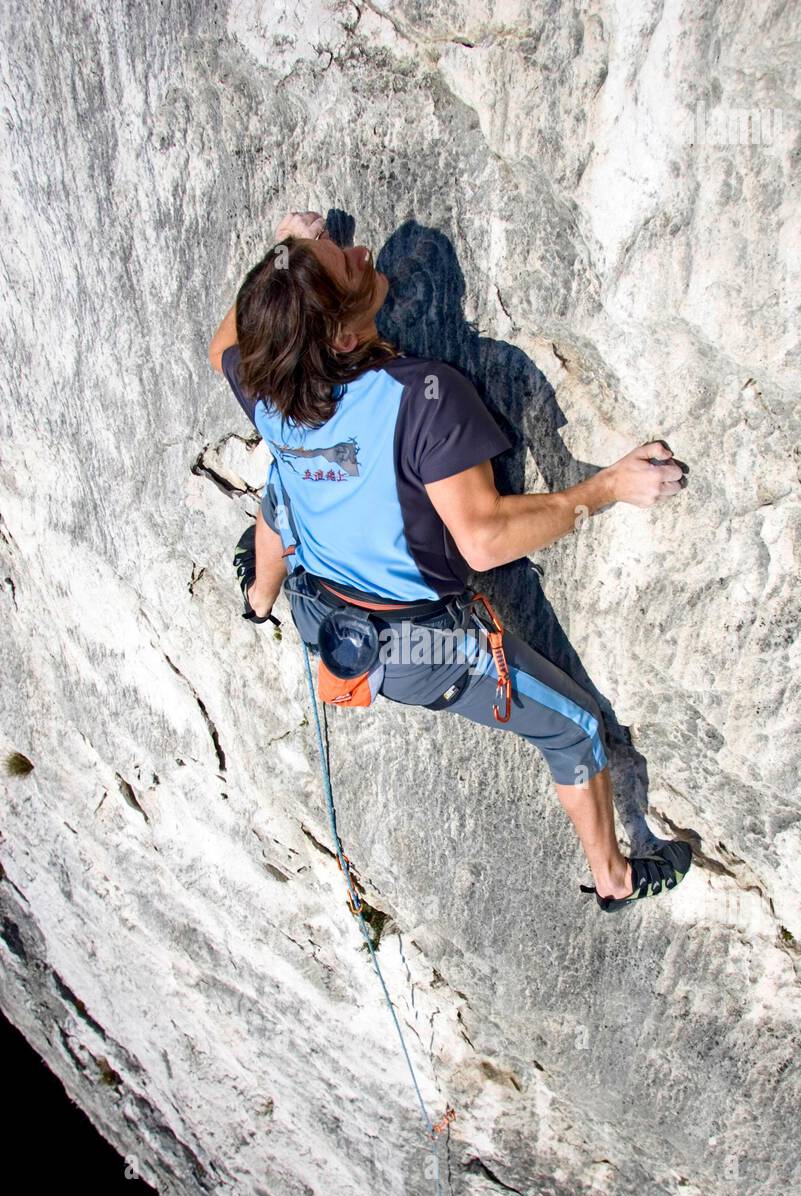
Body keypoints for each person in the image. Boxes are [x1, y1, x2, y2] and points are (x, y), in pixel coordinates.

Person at [208, 209, 692, 912]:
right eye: (347, 263)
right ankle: (615, 880)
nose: (362, 250)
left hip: (315, 605)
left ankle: (260, 595)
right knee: (575, 728)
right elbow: (484, 539)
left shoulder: (265, 376)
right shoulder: (422, 397)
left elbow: (224, 341)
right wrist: (607, 487)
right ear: (342, 337)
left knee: (283, 482)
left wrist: (289, 264)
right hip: (414, 649)